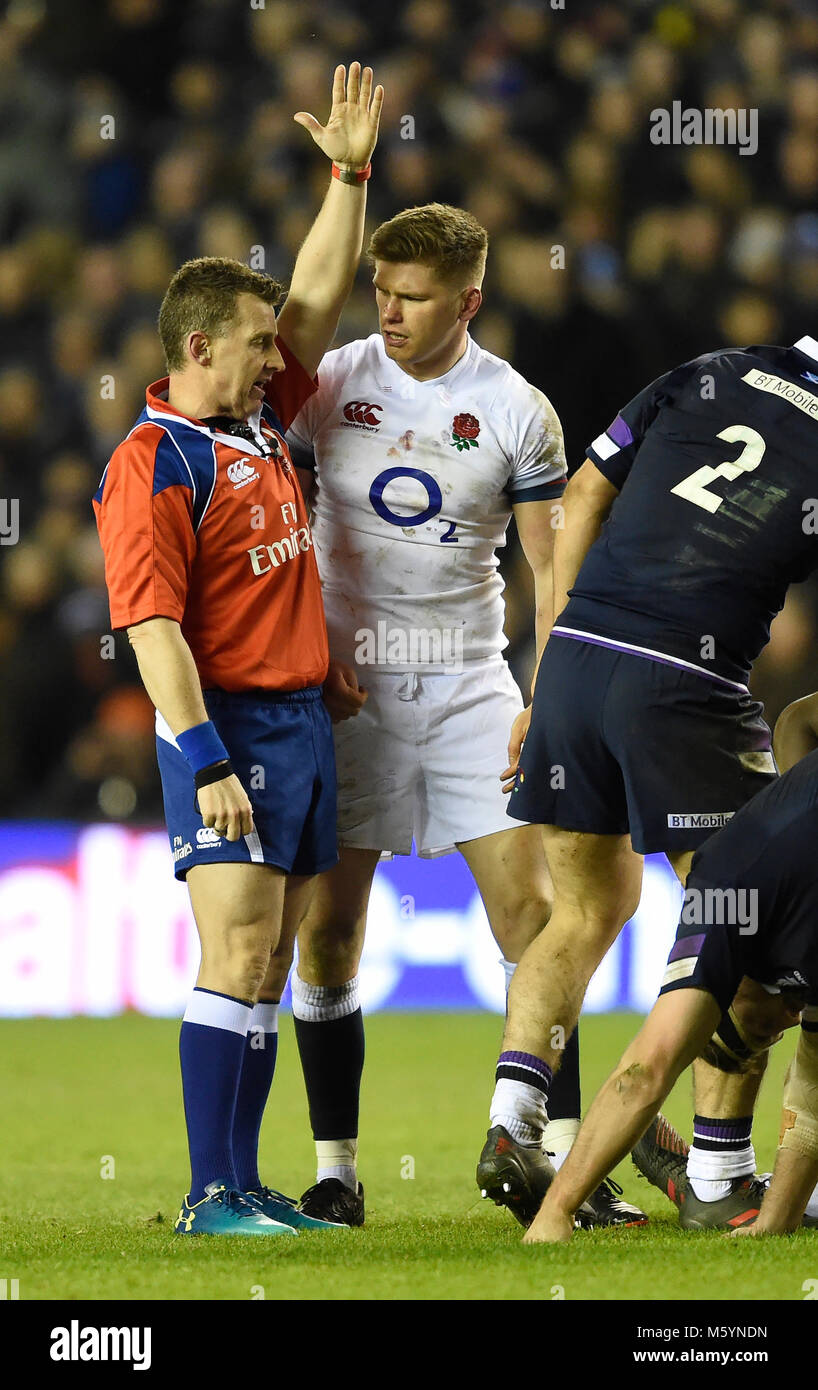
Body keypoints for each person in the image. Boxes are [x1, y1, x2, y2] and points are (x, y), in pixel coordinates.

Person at [271, 201, 646, 1229]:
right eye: (380, 290)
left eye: (412, 295)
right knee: (331, 932)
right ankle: (336, 1173)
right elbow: (272, 514)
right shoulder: (331, 384)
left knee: (530, 919)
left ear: (466, 301)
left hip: (470, 681)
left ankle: (561, 1160)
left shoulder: (517, 409)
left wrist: (545, 694)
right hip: (346, 686)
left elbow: (546, 568)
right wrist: (306, 654)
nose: (387, 310)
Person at [93, 64, 382, 1237]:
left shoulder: (251, 425)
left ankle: (249, 1182)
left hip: (302, 719)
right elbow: (153, 624)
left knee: (270, 965)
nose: (282, 358)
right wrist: (204, 753)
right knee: (242, 945)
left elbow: (311, 294)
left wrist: (349, 176)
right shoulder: (152, 460)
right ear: (201, 345)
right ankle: (211, 1194)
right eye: (259, 346)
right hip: (230, 730)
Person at [475, 333, 818, 1231]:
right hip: (684, 685)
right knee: (745, 925)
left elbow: (581, 494)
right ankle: (716, 1175)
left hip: (579, 660)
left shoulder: (710, 370)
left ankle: (516, 1121)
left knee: (583, 912)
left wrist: (551, 662)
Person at [522, 708, 818, 1243]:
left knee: (666, 1043)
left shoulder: (727, 888)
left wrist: (799, 799)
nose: (786, 1024)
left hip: (738, 864)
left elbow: (800, 719)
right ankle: (722, 1182)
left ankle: (561, 1213)